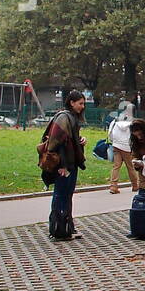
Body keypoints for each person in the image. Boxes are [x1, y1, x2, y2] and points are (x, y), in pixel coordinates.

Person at [44, 91, 88, 239]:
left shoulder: (70, 118)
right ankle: (59, 230)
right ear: (72, 103)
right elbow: (57, 143)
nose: (82, 107)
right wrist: (62, 165)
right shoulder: (64, 118)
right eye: (80, 103)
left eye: (83, 104)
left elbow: (69, 140)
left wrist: (79, 140)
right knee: (61, 195)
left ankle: (67, 228)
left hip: (70, 163)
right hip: (64, 165)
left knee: (66, 195)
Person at [107, 110, 136, 194]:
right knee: (130, 166)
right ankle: (135, 185)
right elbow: (133, 136)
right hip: (126, 147)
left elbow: (110, 133)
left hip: (116, 145)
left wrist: (113, 141)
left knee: (116, 166)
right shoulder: (131, 124)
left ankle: (113, 186)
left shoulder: (115, 121)